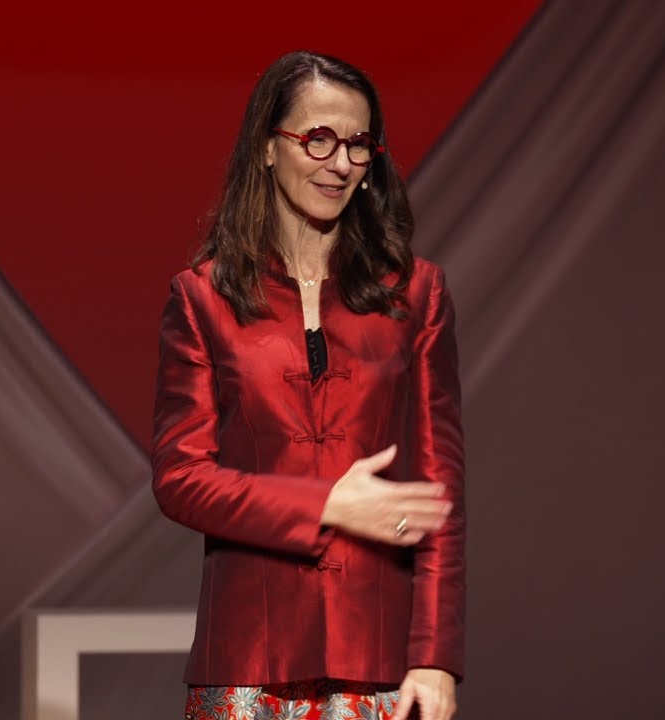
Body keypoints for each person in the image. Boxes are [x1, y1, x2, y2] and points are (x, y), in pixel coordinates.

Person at [152, 50, 465, 720]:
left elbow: (439, 492)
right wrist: (327, 504)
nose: (341, 163)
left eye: (358, 144)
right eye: (318, 139)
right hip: (246, 662)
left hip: (380, 662)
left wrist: (435, 657)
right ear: (268, 147)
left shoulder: (416, 293)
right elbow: (180, 479)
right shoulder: (203, 298)